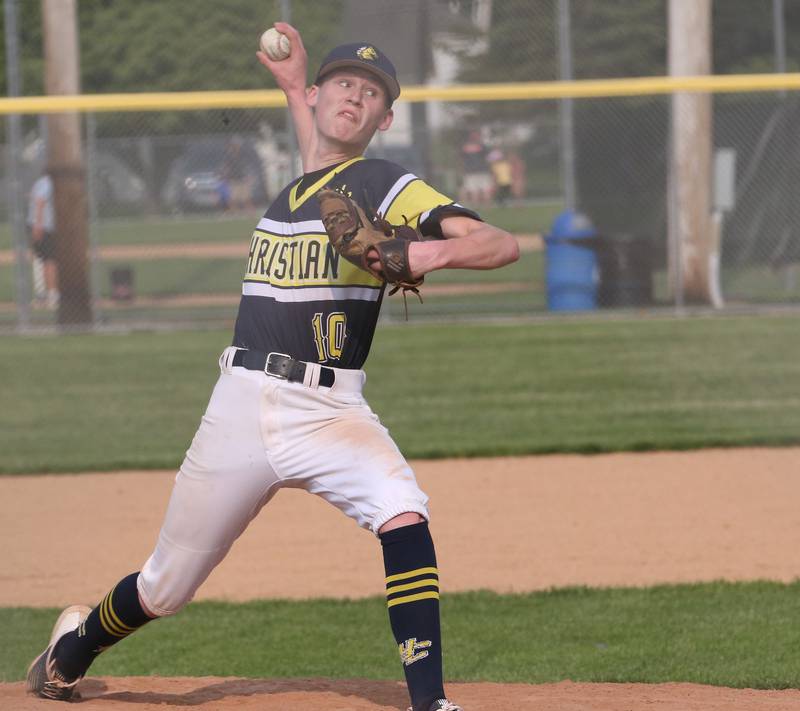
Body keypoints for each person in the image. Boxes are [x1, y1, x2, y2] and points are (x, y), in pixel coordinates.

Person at [26, 23, 519, 711]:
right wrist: (292, 87)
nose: (356, 95)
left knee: (404, 513)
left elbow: (499, 243)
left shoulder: (386, 183)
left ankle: (429, 701)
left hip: (333, 410)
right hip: (241, 402)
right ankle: (68, 654)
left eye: (372, 92)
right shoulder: (306, 183)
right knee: (165, 586)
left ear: (386, 118)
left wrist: (424, 254)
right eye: (344, 82)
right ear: (318, 96)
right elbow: (317, 151)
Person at [27, 171, 59, 309]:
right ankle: (52, 296)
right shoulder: (48, 182)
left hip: (39, 225)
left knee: (40, 259)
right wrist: (38, 225)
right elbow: (40, 201)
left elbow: (34, 198)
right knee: (50, 260)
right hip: (44, 226)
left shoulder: (41, 182)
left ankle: (41, 295)